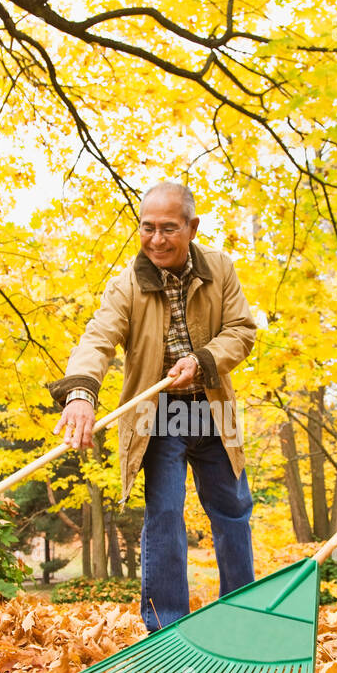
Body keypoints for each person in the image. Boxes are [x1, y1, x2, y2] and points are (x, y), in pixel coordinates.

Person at [48, 181, 257, 632]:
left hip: (212, 407)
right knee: (163, 516)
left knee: (233, 509)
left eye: (168, 228)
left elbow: (242, 330)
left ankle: (242, 617)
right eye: (148, 228)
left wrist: (203, 361)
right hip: (159, 415)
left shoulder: (220, 269)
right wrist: (81, 395)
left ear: (192, 227)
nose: (157, 239)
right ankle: (167, 629)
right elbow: (97, 339)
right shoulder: (126, 285)